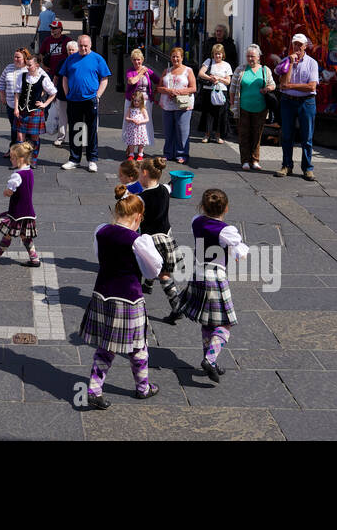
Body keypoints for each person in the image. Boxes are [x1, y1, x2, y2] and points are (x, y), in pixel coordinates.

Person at [79, 185, 164, 409]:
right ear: (138, 216)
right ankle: (143, 387)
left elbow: (99, 257)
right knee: (138, 346)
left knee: (106, 346)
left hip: (103, 294)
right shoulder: (138, 241)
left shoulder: (101, 231)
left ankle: (94, 389)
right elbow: (153, 271)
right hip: (129, 298)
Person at [170, 188, 249, 382]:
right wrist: (238, 251)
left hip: (198, 273)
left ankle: (209, 360)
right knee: (225, 323)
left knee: (208, 321)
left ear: (203, 207)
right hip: (215, 277)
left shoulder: (196, 221)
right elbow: (240, 251)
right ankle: (210, 359)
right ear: (227, 208)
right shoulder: (227, 231)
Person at [137, 156, 182, 316]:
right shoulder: (164, 189)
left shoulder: (142, 198)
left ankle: (176, 305)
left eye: (139, 174)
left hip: (152, 239)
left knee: (162, 273)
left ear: (144, 173)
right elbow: (171, 187)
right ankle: (148, 286)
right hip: (166, 235)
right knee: (157, 263)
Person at [60, 35, 112, 173]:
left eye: (85, 46)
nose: (83, 48)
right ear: (78, 45)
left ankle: (92, 159)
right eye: (81, 45)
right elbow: (64, 77)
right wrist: (67, 94)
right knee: (76, 129)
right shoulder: (71, 59)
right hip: (74, 100)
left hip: (90, 100)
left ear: (90, 45)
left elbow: (104, 79)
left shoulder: (97, 59)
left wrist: (98, 95)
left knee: (91, 130)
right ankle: (74, 159)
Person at [274, 34, 319, 181]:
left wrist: (291, 86)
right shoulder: (286, 62)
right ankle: (287, 165)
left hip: (307, 102)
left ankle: (307, 168)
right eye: (295, 44)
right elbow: (283, 83)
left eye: (300, 45)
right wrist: (291, 64)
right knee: (287, 135)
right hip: (288, 101)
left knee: (307, 137)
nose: (297, 47)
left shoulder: (312, 63)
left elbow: (311, 86)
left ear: (305, 46)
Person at [0, 142, 39, 266]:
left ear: (21, 159)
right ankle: (34, 259)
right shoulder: (29, 171)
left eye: (13, 158)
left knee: (8, 234)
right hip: (28, 211)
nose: (11, 160)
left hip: (18, 212)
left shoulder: (17, 175)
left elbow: (10, 191)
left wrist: (6, 192)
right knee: (24, 236)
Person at [235, 45, 275, 171]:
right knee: (243, 134)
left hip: (261, 108)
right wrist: (232, 104)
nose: (250, 58)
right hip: (243, 107)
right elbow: (233, 88)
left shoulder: (265, 70)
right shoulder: (241, 69)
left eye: (252, 56)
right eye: (248, 56)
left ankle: (255, 160)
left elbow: (273, 84)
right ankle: (245, 161)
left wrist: (267, 88)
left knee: (257, 135)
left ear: (258, 57)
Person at [157, 47, 196, 165]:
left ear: (182, 58)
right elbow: (158, 88)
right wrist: (167, 91)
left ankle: (182, 154)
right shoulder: (166, 71)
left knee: (182, 130)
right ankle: (168, 153)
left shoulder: (188, 71)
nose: (175, 59)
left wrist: (177, 92)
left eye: (177, 56)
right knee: (168, 131)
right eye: (173, 56)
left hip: (183, 105)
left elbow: (193, 88)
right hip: (167, 105)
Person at [14, 53, 57, 150]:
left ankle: (33, 160)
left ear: (37, 65)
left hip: (35, 111)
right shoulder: (22, 76)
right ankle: (21, 161)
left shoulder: (43, 78)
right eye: (27, 65)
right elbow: (17, 93)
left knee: (34, 138)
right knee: (20, 137)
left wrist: (45, 104)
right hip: (21, 110)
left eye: (30, 65)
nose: (27, 67)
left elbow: (53, 92)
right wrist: (16, 108)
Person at [38, 20, 70, 145]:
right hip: (51, 74)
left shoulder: (66, 41)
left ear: (60, 30)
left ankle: (59, 124)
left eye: (55, 28)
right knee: (50, 96)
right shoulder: (47, 40)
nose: (52, 30)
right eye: (51, 28)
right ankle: (48, 121)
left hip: (64, 74)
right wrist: (43, 66)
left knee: (61, 99)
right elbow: (41, 54)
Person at [197, 44, 234, 144]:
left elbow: (228, 81)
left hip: (221, 92)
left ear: (223, 54)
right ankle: (207, 134)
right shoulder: (208, 61)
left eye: (219, 54)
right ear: (213, 54)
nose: (217, 56)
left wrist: (219, 78)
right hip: (208, 91)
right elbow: (201, 73)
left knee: (220, 114)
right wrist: (210, 78)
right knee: (208, 113)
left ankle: (218, 135)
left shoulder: (227, 65)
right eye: (216, 54)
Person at [123, 49, 155, 152]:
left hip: (145, 101)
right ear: (132, 61)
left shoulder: (148, 71)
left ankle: (141, 149)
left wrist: (156, 93)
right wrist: (141, 72)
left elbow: (158, 80)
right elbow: (132, 81)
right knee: (129, 123)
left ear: (142, 59)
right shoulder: (130, 71)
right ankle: (130, 145)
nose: (137, 62)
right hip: (132, 101)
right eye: (134, 60)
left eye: (139, 60)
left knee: (144, 124)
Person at [0, 48, 28, 146]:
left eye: (18, 57)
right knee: (14, 128)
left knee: (23, 129)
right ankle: (13, 150)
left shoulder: (29, 69)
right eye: (15, 57)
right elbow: (1, 83)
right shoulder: (9, 68)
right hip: (10, 104)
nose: (15, 59)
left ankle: (24, 150)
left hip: (24, 105)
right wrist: (2, 96)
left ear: (25, 58)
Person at [122, 91, 152, 161]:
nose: (136, 102)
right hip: (132, 129)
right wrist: (132, 120)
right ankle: (131, 154)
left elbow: (147, 119)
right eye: (135, 101)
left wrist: (140, 121)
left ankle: (140, 154)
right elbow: (126, 118)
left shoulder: (143, 109)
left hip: (140, 129)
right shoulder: (130, 109)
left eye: (138, 101)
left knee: (141, 143)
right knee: (131, 142)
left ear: (141, 101)